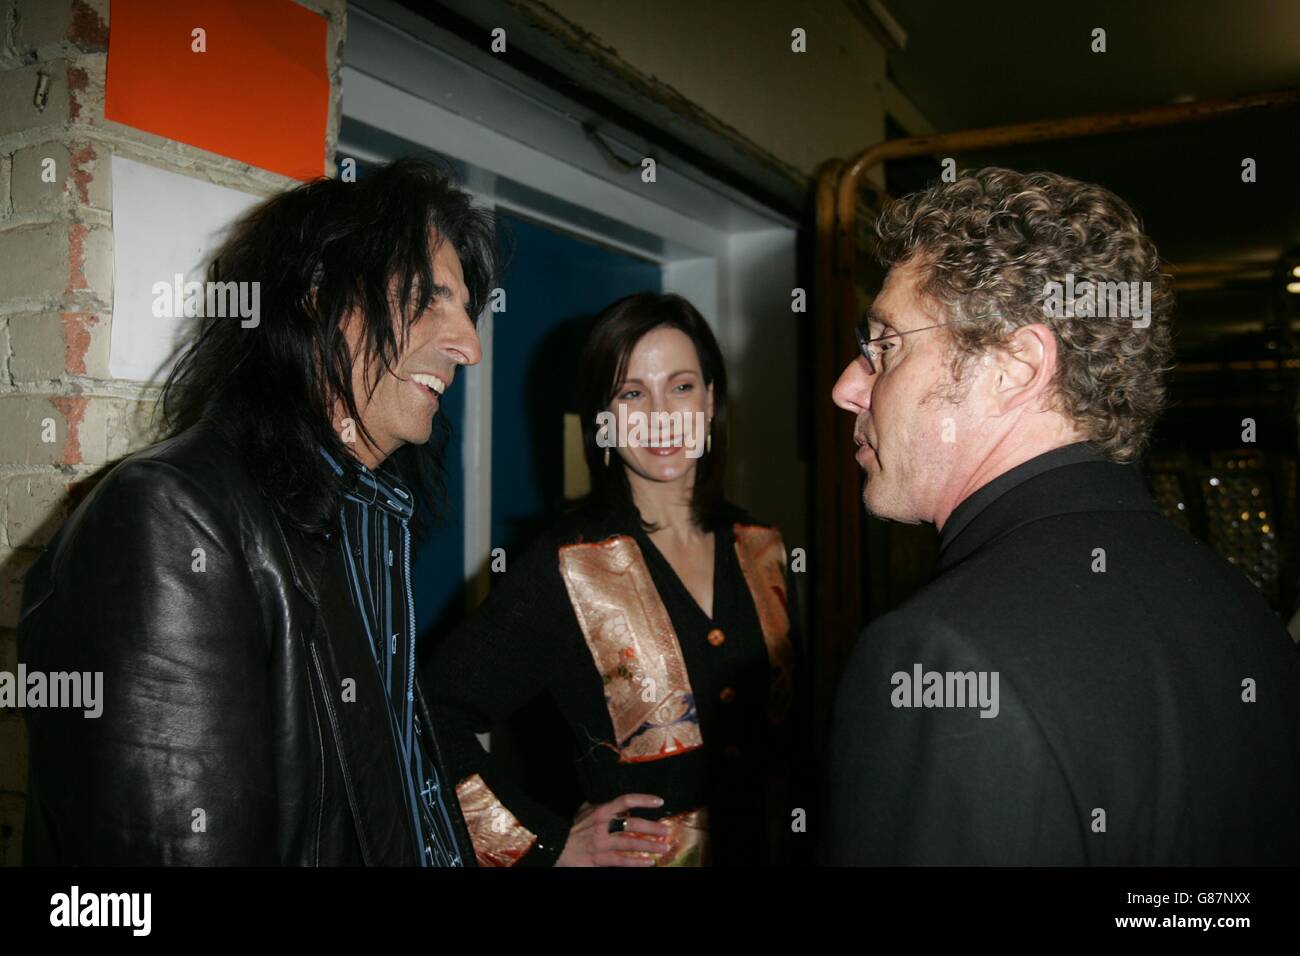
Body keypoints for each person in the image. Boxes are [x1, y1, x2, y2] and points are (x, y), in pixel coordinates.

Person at [18, 158, 497, 865]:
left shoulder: (364, 514)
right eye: (428, 299)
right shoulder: (171, 517)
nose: (469, 345)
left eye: (466, 308)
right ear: (315, 295)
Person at [824, 167, 1300, 865]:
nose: (847, 386)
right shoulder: (1237, 605)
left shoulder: (939, 652)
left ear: (1016, 366)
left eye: (886, 345)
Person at [429, 292, 801, 866]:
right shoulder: (570, 564)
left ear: (711, 399)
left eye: (681, 386)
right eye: (632, 393)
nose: (660, 415)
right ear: (602, 418)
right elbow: (426, 713)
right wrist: (546, 844)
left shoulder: (763, 548)